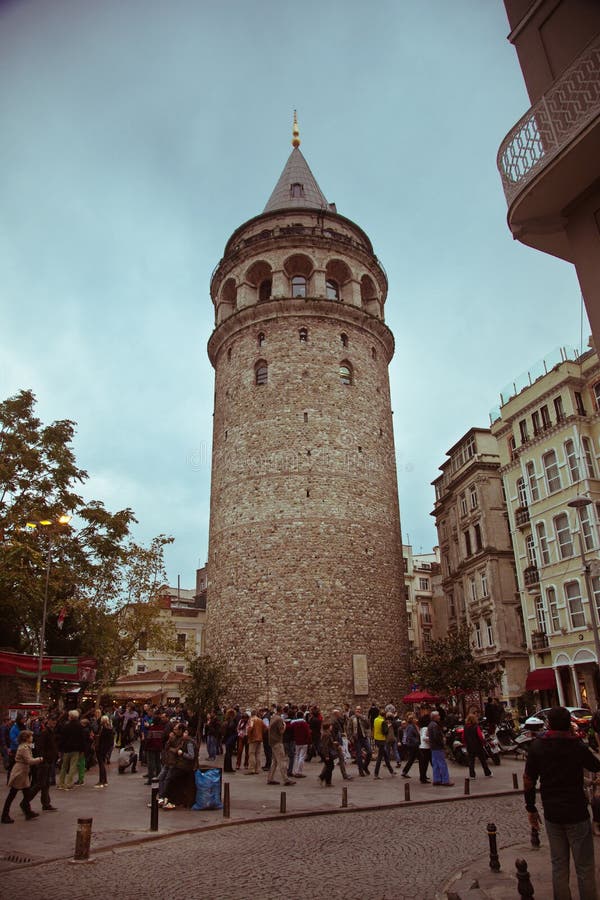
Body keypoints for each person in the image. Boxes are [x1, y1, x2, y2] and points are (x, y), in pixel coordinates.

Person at [524, 705, 600, 900]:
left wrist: (531, 808)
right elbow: (594, 765)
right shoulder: (576, 746)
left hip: (552, 811)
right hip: (576, 810)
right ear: (569, 724)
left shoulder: (537, 746)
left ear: (548, 724)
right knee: (584, 866)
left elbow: (529, 780)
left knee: (559, 864)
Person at [2, 730, 43, 823]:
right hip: (20, 772)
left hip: (23, 772)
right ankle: (5, 815)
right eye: (30, 736)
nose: (32, 738)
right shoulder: (24, 748)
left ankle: (27, 811)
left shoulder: (25, 746)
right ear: (26, 738)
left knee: (26, 793)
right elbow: (29, 760)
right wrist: (40, 759)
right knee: (12, 794)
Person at [30, 716, 59, 810]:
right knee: (40, 784)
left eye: (55, 722)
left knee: (45, 784)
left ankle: (46, 803)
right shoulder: (45, 733)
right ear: (49, 721)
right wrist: (43, 759)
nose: (54, 724)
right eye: (52, 721)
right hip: (44, 761)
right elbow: (40, 747)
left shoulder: (51, 732)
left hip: (49, 760)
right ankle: (25, 801)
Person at [267, 705, 295, 786]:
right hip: (277, 741)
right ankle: (286, 779)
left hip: (272, 741)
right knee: (282, 760)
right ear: (281, 710)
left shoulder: (273, 717)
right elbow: (281, 731)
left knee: (275, 761)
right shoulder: (279, 719)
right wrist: (285, 725)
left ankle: (270, 778)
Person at [427, 711, 453, 786]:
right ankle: (445, 780)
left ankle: (437, 779)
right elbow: (437, 737)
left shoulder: (430, 725)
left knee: (435, 764)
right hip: (438, 747)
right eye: (438, 716)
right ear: (434, 717)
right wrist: (442, 743)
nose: (439, 717)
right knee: (442, 763)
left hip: (433, 747)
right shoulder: (435, 725)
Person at [464, 712, 492, 779]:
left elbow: (463, 737)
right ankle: (487, 773)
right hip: (478, 746)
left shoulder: (465, 727)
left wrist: (466, 743)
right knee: (482, 760)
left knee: (471, 761)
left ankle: (472, 775)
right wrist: (483, 742)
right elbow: (480, 736)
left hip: (469, 746)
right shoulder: (476, 727)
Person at [347, 705, 372, 777]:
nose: (358, 711)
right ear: (355, 710)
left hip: (364, 737)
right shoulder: (352, 718)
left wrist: (362, 717)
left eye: (359, 710)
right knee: (359, 755)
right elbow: (349, 729)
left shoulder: (363, 717)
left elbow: (368, 726)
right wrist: (350, 738)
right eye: (357, 709)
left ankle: (365, 766)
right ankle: (360, 770)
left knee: (369, 752)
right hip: (356, 739)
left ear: (361, 711)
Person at [372, 710, 396, 779]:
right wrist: (388, 726)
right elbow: (384, 732)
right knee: (379, 758)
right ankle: (376, 774)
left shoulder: (376, 719)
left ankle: (391, 771)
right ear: (384, 715)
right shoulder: (383, 721)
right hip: (382, 740)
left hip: (376, 739)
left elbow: (375, 728)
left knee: (386, 757)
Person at [94, 715, 114, 787]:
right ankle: (104, 780)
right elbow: (111, 742)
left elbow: (100, 738)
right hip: (105, 749)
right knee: (102, 764)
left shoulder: (103, 729)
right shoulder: (110, 728)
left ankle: (101, 781)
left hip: (101, 748)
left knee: (101, 764)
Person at [401, 713, 420, 778]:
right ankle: (423, 775)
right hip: (413, 746)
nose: (416, 719)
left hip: (414, 745)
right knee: (421, 759)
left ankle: (404, 771)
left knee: (411, 759)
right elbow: (409, 736)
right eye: (415, 718)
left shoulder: (413, 726)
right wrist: (417, 741)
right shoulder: (411, 727)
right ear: (412, 720)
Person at [318, 721, 336, 787]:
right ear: (328, 727)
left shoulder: (327, 733)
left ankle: (328, 781)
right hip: (326, 753)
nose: (332, 727)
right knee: (330, 766)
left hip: (326, 752)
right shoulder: (326, 734)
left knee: (330, 766)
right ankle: (322, 777)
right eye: (331, 726)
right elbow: (325, 746)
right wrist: (326, 755)